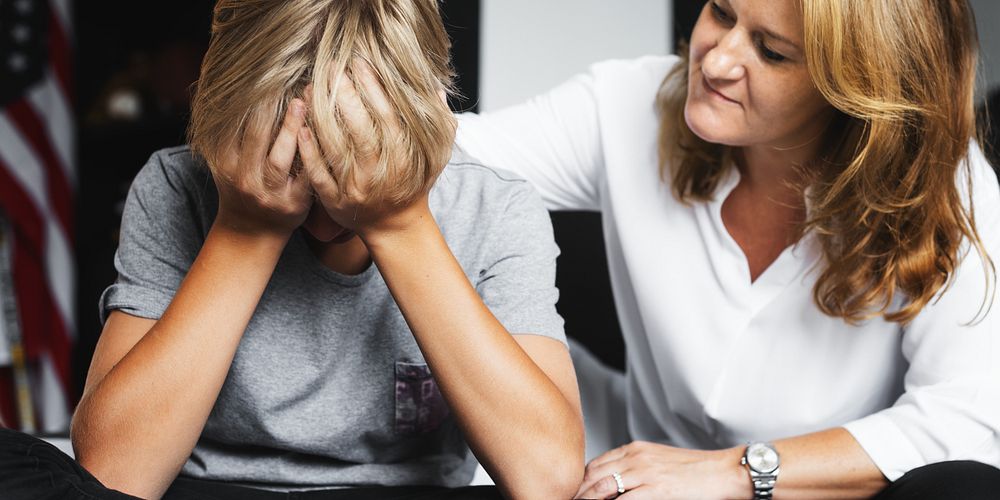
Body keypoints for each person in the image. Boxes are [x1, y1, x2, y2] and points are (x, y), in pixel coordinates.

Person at [0, 1, 584, 499]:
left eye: (354, 156)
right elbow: (114, 475)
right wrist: (246, 228)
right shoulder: (178, 187)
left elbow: (548, 479)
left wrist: (400, 225)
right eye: (291, 160)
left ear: (432, 116)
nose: (332, 197)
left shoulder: (495, 207)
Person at [454, 0, 1000, 498]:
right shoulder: (626, 104)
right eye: (720, 13)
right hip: (632, 478)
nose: (716, 63)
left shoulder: (949, 189)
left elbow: (965, 422)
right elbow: (437, 163)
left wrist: (733, 471)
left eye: (771, 52)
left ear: (855, 85)